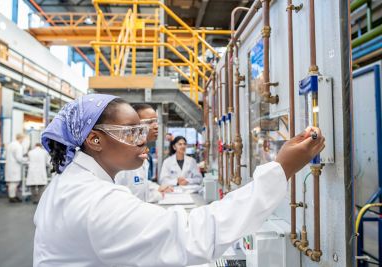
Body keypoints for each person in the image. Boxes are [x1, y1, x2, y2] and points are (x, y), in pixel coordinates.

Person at [34, 94, 325, 267]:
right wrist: (281, 168)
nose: (143, 140)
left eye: (142, 130)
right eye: (131, 132)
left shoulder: (69, 184)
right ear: (94, 139)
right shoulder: (95, 201)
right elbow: (193, 235)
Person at [114, 104, 173, 202]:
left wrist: (156, 188)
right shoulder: (122, 159)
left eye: (156, 121)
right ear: (133, 125)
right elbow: (125, 197)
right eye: (149, 122)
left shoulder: (140, 154)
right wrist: (158, 195)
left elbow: (140, 184)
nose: (156, 126)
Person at [5, 133, 27, 203]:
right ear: (21, 138)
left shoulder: (11, 144)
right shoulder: (18, 146)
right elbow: (19, 158)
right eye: (23, 139)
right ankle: (12, 197)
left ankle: (13, 196)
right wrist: (26, 159)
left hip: (10, 166)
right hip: (14, 167)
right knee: (14, 183)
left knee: (12, 183)